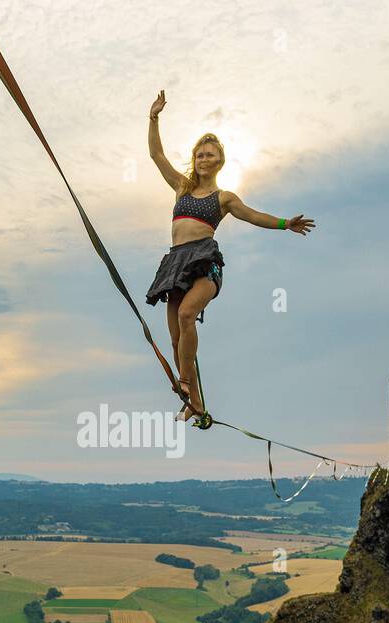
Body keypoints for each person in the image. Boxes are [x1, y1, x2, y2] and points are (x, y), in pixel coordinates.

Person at [144, 89, 315, 422]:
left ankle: (185, 383)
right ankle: (195, 405)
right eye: (200, 155)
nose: (204, 159)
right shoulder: (181, 187)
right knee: (176, 337)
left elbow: (252, 215)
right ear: (195, 160)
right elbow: (156, 155)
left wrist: (285, 224)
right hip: (174, 262)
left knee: (186, 316)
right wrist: (153, 117)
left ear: (219, 161)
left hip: (204, 263)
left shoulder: (224, 198)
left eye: (210, 155)